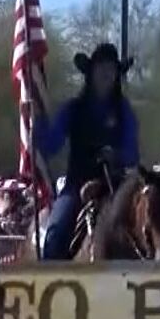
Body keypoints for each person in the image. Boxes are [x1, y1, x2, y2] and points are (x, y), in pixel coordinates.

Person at [36, 43, 142, 260]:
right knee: (55, 234)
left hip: (116, 187)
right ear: (91, 72)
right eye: (101, 68)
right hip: (77, 185)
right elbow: (50, 145)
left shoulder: (124, 111)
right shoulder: (73, 109)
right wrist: (37, 124)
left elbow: (133, 153)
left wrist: (116, 155)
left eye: (112, 69)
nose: (106, 73)